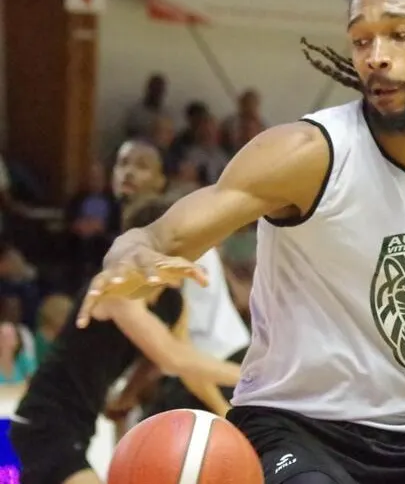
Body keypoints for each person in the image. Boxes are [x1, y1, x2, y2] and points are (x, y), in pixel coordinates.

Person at [77, 0, 405, 484]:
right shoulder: (308, 154)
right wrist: (129, 255)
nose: (376, 55)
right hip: (298, 428)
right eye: (362, 40)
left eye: (398, 34)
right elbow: (159, 233)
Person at [10, 198, 241, 484]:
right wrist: (250, 376)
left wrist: (224, 410)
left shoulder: (174, 304)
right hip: (44, 421)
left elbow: (176, 363)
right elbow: (173, 357)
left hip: (81, 424)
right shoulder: (119, 290)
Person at [100, 139, 251, 421]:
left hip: (210, 365)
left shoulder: (169, 235)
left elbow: (170, 341)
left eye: (141, 166)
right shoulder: (142, 233)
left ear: (160, 181)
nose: (129, 172)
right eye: (123, 164)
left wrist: (128, 391)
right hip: (203, 363)